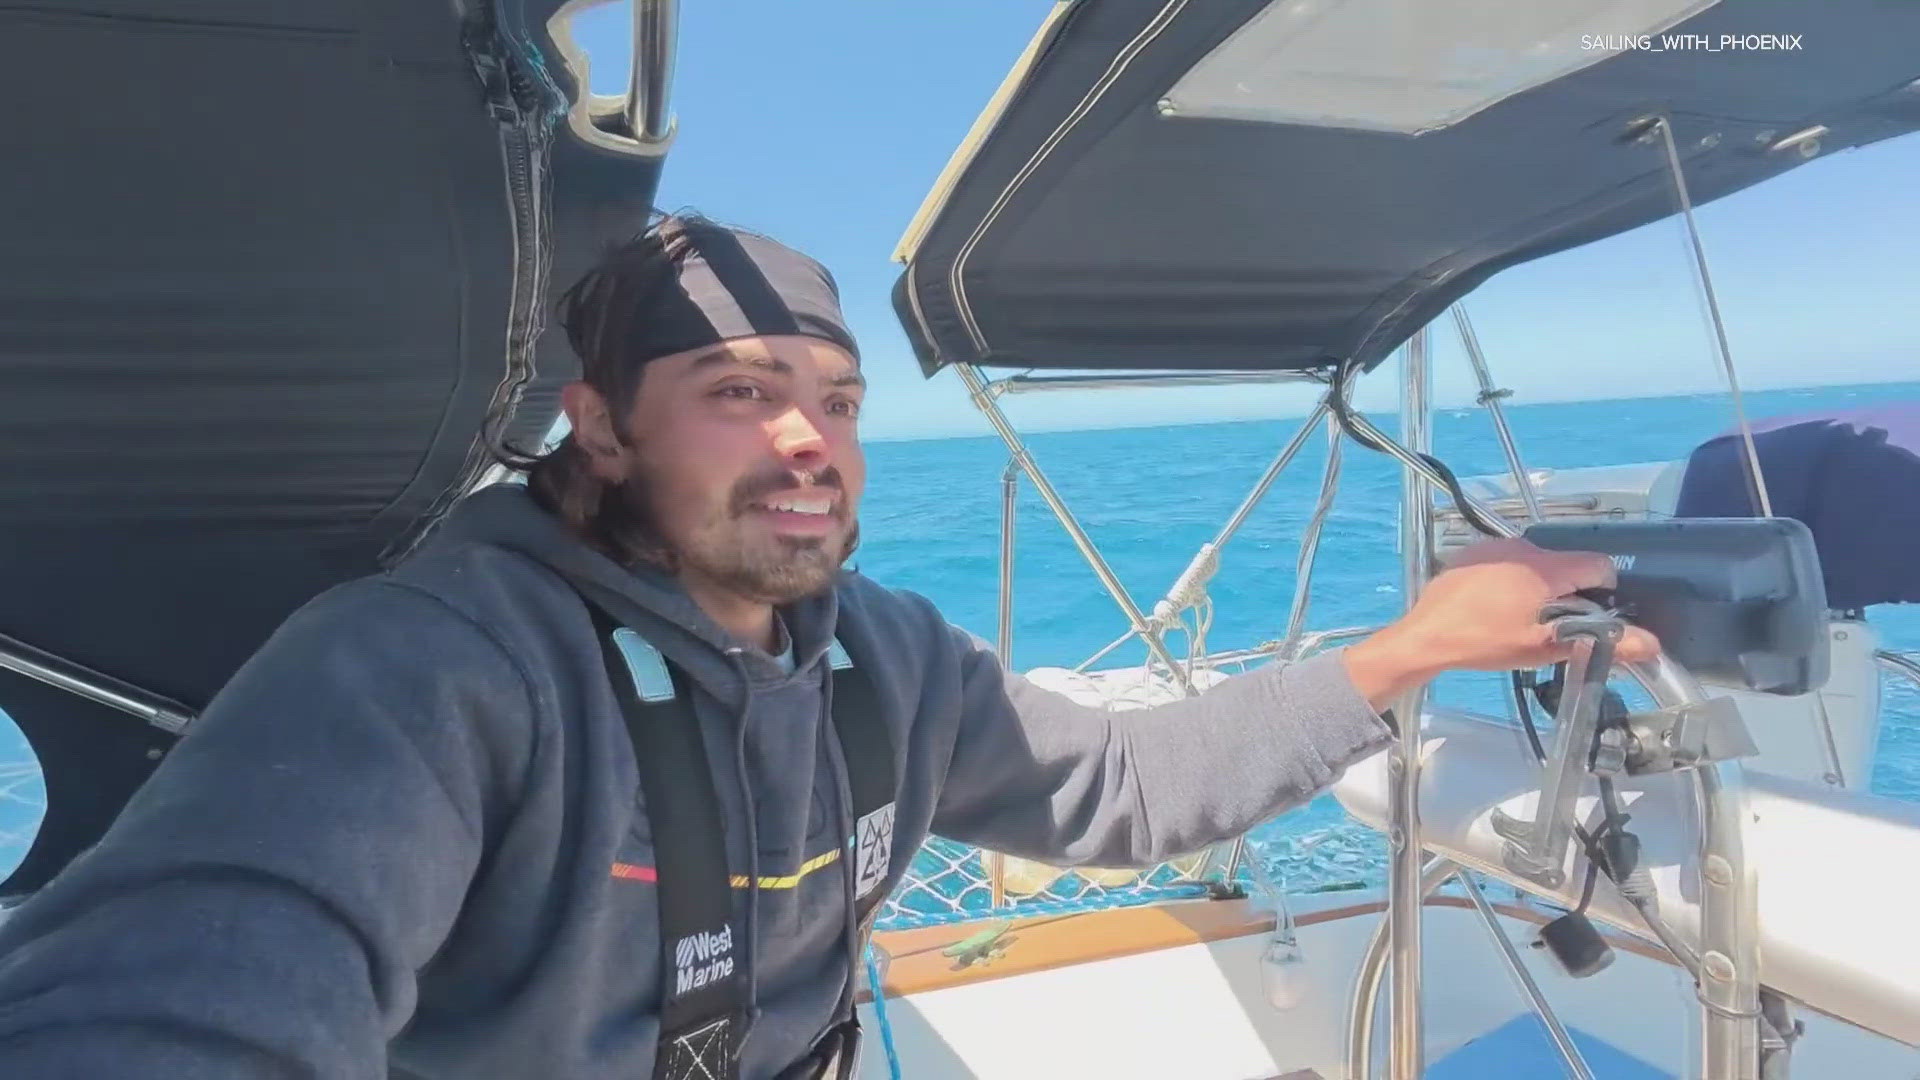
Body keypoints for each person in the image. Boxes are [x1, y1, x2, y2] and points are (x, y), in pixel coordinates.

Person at [0, 214, 1653, 1079]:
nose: (810, 442)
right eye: (739, 395)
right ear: (595, 426)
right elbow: (200, 977)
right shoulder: (428, 670)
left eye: (838, 400)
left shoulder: (885, 654)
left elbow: (1123, 792)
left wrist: (1414, 646)